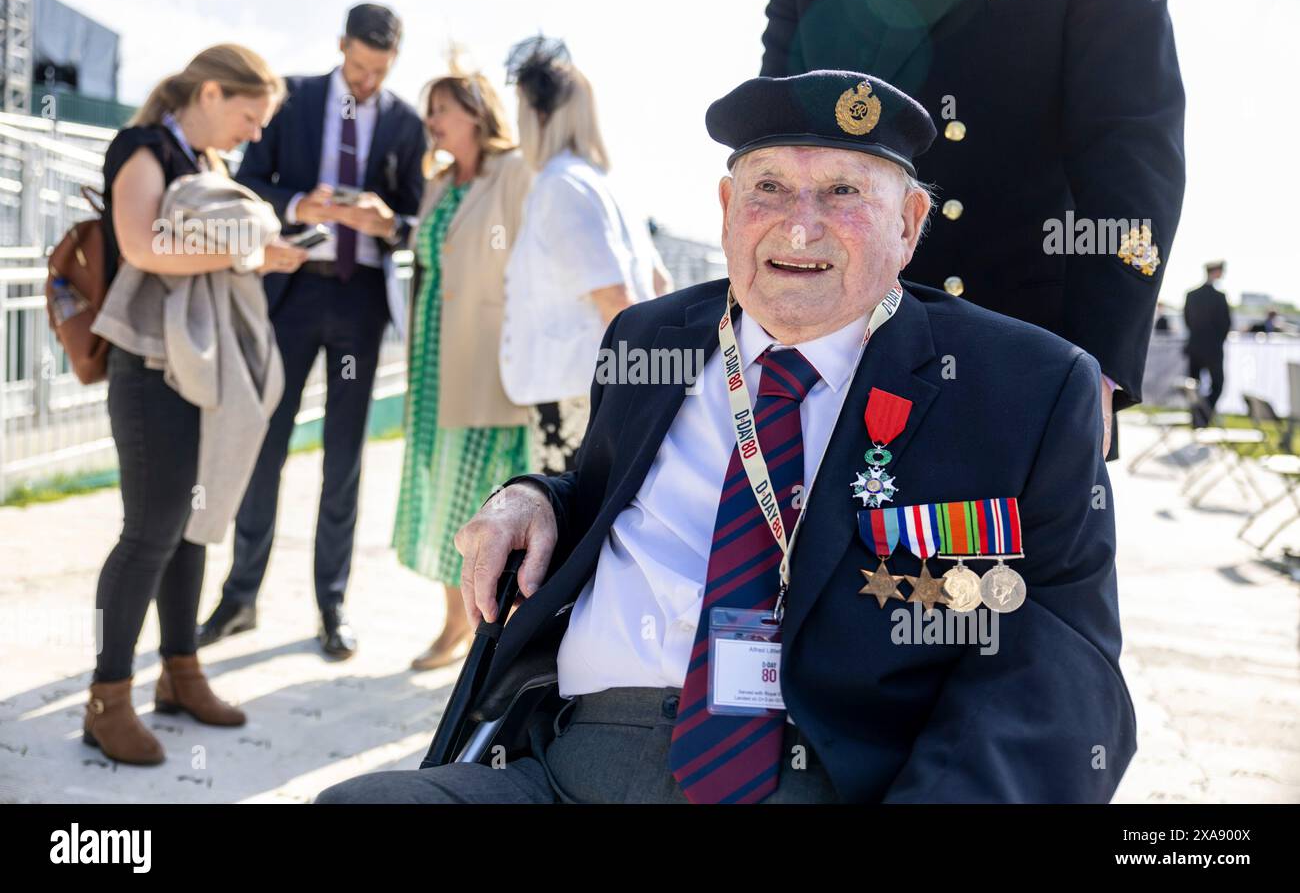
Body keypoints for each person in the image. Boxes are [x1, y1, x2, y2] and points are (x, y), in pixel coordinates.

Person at [318, 70, 1134, 804]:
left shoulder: (1020, 386)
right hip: (575, 763)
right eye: (769, 188)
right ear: (726, 208)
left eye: (845, 192)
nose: (800, 229)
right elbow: (599, 491)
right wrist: (530, 496)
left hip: (822, 770)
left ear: (911, 223)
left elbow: (1062, 664)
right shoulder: (650, 338)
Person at [759, 0, 1186, 461]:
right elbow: (773, 128)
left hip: (1008, 345)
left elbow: (1130, 150)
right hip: (821, 341)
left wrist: (1097, 361)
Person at [83, 44, 306, 766]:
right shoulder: (143, 148)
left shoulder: (209, 168)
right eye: (248, 116)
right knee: (149, 531)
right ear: (210, 93)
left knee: (190, 528)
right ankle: (105, 700)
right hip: (149, 369)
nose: (253, 134)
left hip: (199, 369)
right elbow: (142, 245)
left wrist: (267, 248)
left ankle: (181, 675)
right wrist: (251, 254)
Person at [197, 4, 427, 659]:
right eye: (357, 67)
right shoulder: (290, 99)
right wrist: (301, 206)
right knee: (264, 443)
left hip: (359, 302)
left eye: (377, 73)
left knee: (344, 456)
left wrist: (385, 223)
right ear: (340, 48)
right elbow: (246, 184)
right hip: (290, 295)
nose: (364, 81)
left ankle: (332, 604)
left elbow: (415, 221)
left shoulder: (406, 124)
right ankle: (240, 596)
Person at [392, 65, 535, 671]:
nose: (431, 123)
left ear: (475, 113)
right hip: (434, 359)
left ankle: (488, 632)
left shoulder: (513, 171)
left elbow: (527, 261)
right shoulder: (439, 183)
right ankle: (456, 622)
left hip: (488, 359)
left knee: (482, 493)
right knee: (439, 485)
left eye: (441, 110)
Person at [501, 36, 670, 474]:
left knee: (571, 530)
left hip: (578, 396)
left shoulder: (560, 187)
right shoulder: (605, 184)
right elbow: (659, 286)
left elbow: (614, 300)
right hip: (604, 388)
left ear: (539, 115)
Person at [1183, 261, 1232, 428]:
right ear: (1216, 272)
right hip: (1213, 350)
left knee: (1193, 386)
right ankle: (1203, 416)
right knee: (1217, 385)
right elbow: (1226, 324)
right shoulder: (1220, 297)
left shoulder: (1191, 295)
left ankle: (1197, 419)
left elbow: (1187, 321)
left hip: (1194, 347)